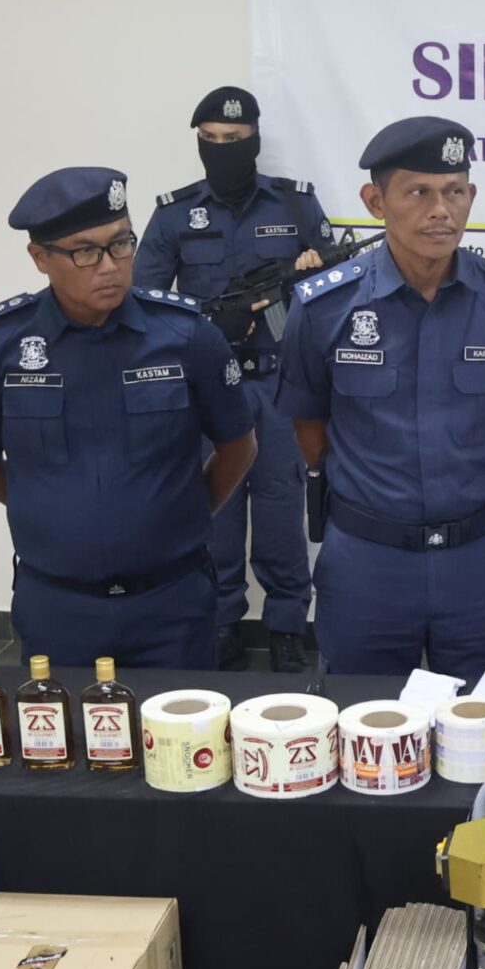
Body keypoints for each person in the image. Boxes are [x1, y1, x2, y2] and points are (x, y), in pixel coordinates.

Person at [278, 117, 485, 683]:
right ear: (375, 201)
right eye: (419, 192)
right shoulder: (325, 308)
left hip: (480, 558)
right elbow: (310, 427)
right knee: (363, 727)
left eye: (455, 191)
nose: (440, 210)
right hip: (367, 559)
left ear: (471, 197)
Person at [0, 166, 256, 669]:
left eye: (121, 244)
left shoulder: (186, 336)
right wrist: (48, 504)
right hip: (58, 606)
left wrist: (182, 512)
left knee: (182, 744)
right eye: (85, 251)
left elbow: (238, 446)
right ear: (40, 258)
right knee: (63, 745)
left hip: (172, 603)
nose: (110, 266)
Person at [137, 84, 332, 671]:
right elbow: (142, 300)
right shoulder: (175, 213)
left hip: (278, 382)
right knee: (214, 509)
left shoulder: (295, 206)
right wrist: (207, 319)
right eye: (212, 140)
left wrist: (307, 276)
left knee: (280, 506)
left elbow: (334, 289)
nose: (223, 148)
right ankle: (220, 621)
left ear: (255, 141)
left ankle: (286, 625)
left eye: (235, 139)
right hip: (208, 386)